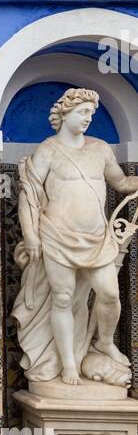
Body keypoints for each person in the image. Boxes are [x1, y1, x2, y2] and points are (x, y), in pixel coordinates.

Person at [12, 87, 138, 388]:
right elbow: (28, 194)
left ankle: (106, 342)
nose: (88, 119)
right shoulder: (48, 150)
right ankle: (68, 363)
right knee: (63, 297)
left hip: (96, 239)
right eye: (83, 112)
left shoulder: (100, 148)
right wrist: (30, 235)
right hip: (56, 236)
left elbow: (121, 182)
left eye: (91, 114)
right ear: (64, 113)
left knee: (109, 293)